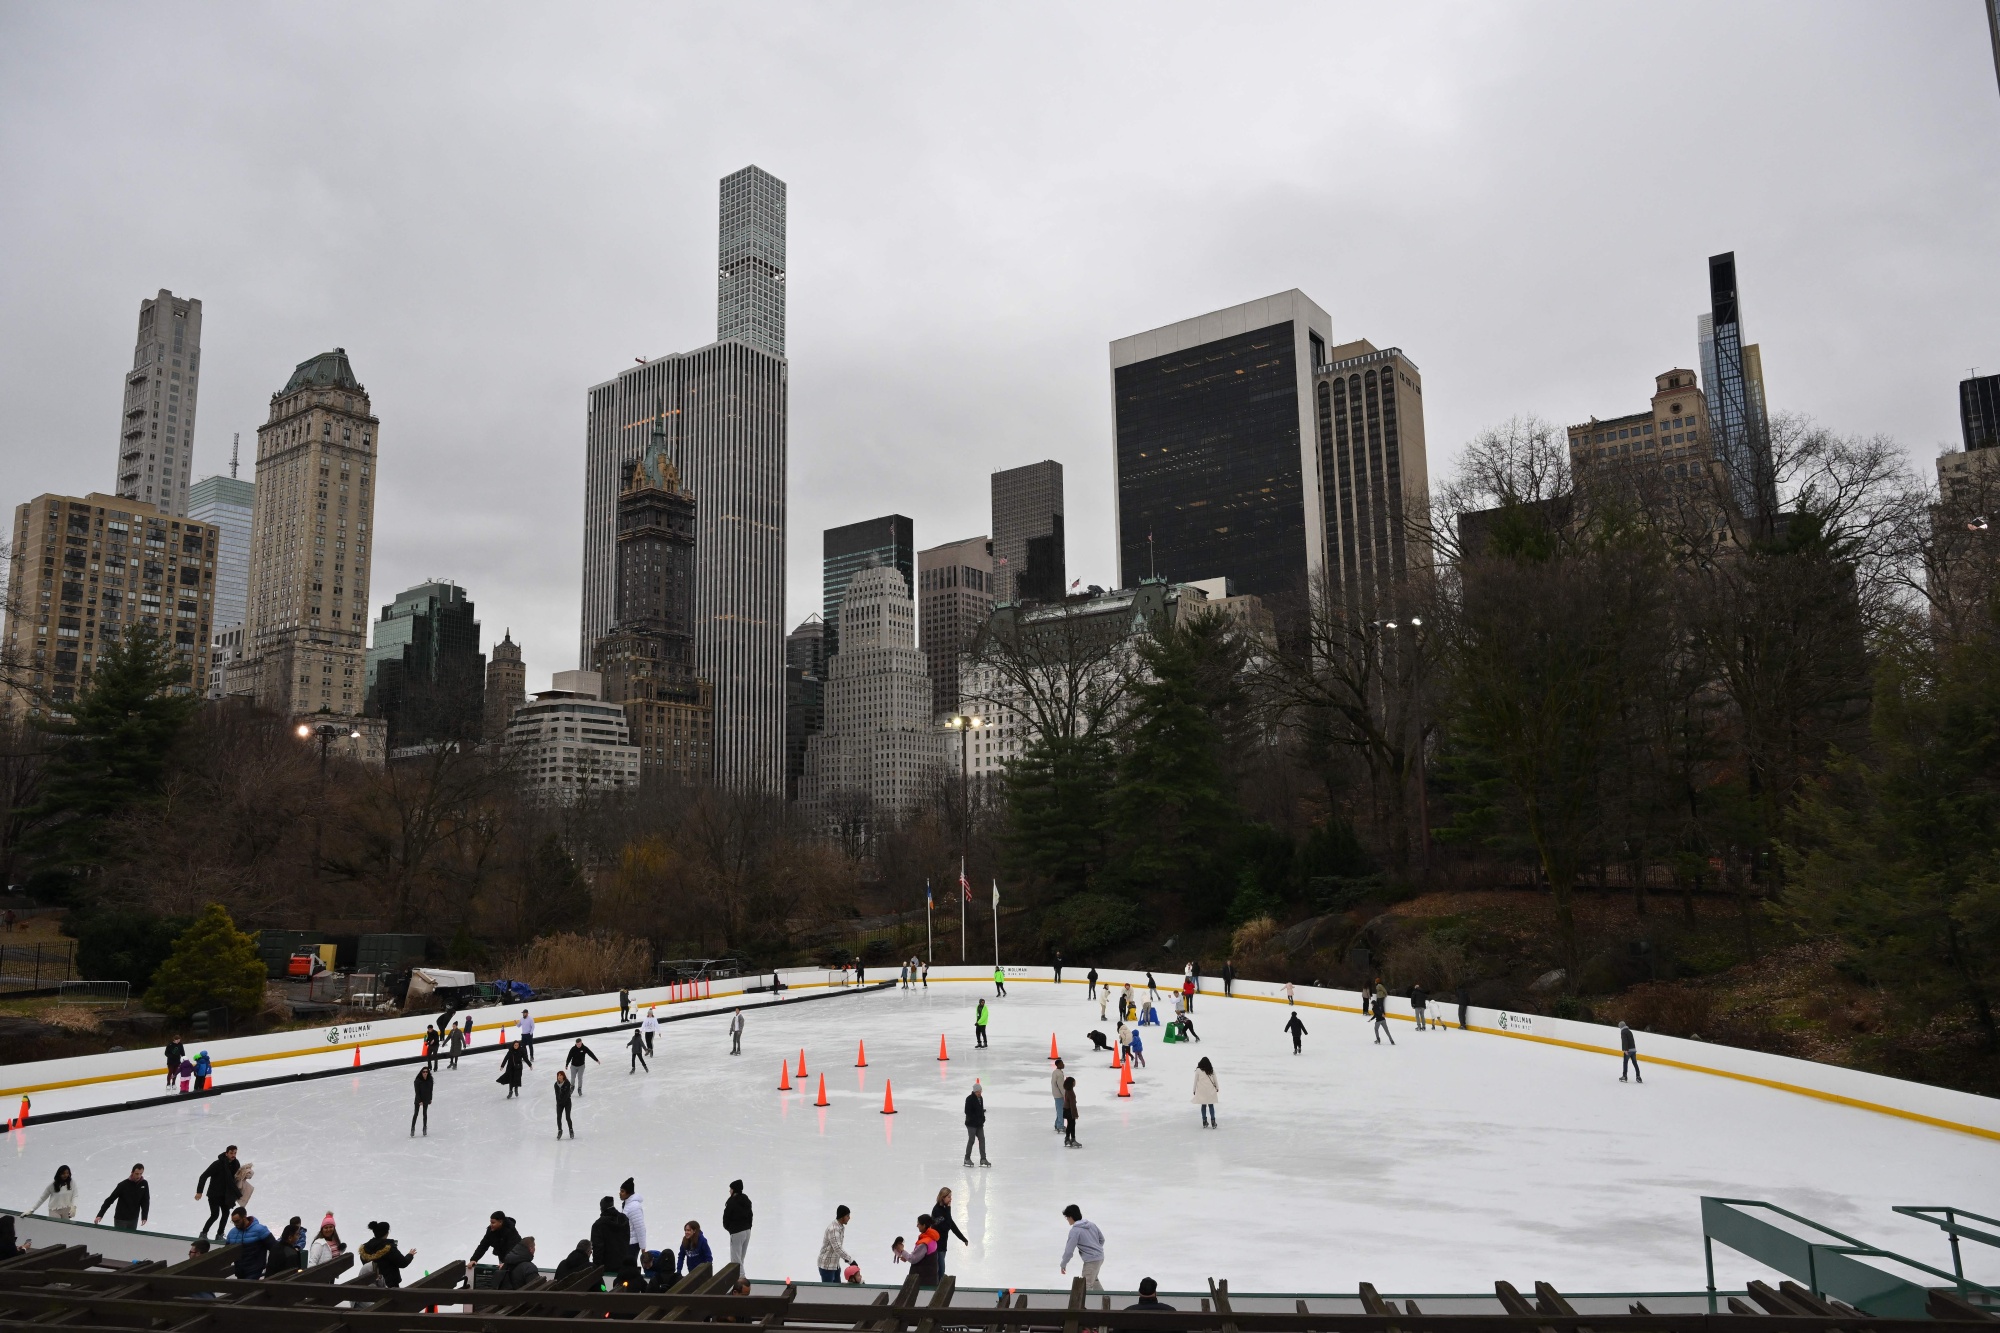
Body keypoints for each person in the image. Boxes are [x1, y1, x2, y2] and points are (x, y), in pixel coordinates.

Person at [194, 1145, 240, 1238]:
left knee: (226, 1214)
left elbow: (236, 1178)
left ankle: (219, 1234)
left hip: (226, 1195)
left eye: (235, 1153)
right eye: (231, 1153)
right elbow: (203, 1176)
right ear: (226, 1153)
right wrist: (199, 1192)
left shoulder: (236, 1164)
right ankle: (203, 1233)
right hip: (214, 1194)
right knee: (215, 1214)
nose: (233, 1155)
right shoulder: (217, 1164)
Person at [1059, 1204, 1104, 1292]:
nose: (1067, 1220)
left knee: (1086, 1286)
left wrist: (1063, 1264)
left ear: (1071, 1217)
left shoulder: (1075, 1231)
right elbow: (1102, 1239)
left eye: (1067, 1218)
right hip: (1100, 1257)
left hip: (1091, 1261)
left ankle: (1092, 1304)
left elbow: (1069, 1251)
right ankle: (1105, 1300)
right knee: (1094, 1281)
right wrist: (1096, 1250)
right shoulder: (1091, 1225)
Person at [358, 1219, 415, 1287]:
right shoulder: (388, 1248)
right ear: (387, 1233)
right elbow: (403, 1263)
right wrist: (410, 1255)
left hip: (372, 1284)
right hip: (390, 1285)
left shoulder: (364, 1248)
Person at [223, 1207, 274, 1279]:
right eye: (233, 1222)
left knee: (248, 1288)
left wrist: (271, 1265)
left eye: (237, 1221)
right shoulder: (232, 1233)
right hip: (239, 1270)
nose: (235, 1224)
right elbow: (227, 1252)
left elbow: (273, 1247)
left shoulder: (260, 1230)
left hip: (254, 1269)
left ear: (244, 1218)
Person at [932, 1188, 969, 1275]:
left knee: (941, 1269)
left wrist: (963, 1238)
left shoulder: (944, 1208)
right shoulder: (937, 1210)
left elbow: (951, 1224)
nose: (951, 1199)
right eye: (949, 1197)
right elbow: (945, 1227)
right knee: (940, 1270)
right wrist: (948, 1210)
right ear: (942, 1197)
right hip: (937, 1245)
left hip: (942, 1244)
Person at [592, 1195, 631, 1269]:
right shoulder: (624, 1220)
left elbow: (597, 1248)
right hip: (623, 1264)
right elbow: (627, 1240)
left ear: (602, 1208)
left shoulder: (598, 1224)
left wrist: (596, 1267)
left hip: (606, 1266)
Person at [817, 1205, 854, 1283]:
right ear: (842, 1217)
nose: (849, 1218)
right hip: (827, 1267)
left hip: (835, 1265)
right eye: (847, 1215)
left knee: (837, 1290)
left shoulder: (840, 1227)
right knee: (829, 1292)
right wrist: (851, 1261)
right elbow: (838, 1248)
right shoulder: (833, 1229)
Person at [723, 1179, 753, 1270]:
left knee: (736, 1260)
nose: (729, 1191)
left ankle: (740, 1279)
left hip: (736, 1232)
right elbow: (750, 1215)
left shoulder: (731, 1202)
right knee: (741, 1258)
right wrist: (749, 1227)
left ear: (734, 1189)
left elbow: (726, 1217)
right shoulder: (746, 1200)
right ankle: (740, 1278)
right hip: (747, 1231)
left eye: (731, 1189)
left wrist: (730, 1229)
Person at [620, 1178, 648, 1268]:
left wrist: (643, 1248)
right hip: (627, 1243)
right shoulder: (627, 1204)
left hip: (632, 1245)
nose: (620, 1193)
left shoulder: (634, 1207)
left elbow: (640, 1228)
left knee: (629, 1268)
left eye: (622, 1191)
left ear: (628, 1193)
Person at [907, 1215, 941, 1289]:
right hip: (930, 1279)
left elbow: (913, 1259)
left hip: (922, 1281)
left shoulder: (925, 1242)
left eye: (918, 1224)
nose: (917, 1226)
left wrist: (901, 1251)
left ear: (924, 1225)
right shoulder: (931, 1238)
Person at [962, 1080, 990, 1167]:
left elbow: (981, 1110)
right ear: (975, 1091)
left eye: (981, 1091)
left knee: (982, 1140)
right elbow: (967, 1111)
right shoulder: (969, 1099)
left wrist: (983, 1118)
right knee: (971, 1140)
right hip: (971, 1124)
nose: (980, 1093)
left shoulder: (980, 1098)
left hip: (979, 1124)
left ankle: (983, 1159)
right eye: (978, 1091)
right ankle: (967, 1159)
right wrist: (975, 1118)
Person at [1192, 1057, 1219, 1127]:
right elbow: (1215, 1080)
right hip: (1210, 1090)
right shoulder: (1211, 1070)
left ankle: (1204, 1121)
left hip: (1202, 1091)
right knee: (1211, 1105)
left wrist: (1194, 1090)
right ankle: (1213, 1122)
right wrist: (1217, 1088)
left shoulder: (1198, 1070)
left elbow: (1195, 1081)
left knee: (1203, 1105)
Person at [411, 1067, 434, 1136]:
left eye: (426, 1072)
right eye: (423, 1072)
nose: (425, 1073)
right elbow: (417, 1092)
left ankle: (424, 1128)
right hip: (418, 1099)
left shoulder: (430, 1080)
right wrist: (419, 1100)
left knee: (425, 1113)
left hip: (426, 1098)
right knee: (416, 1113)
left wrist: (430, 1099)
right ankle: (412, 1128)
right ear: (421, 1072)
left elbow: (431, 1090)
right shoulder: (417, 1081)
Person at [554, 1069, 575, 1138]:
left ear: (563, 1076)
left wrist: (562, 1101)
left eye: (561, 1075)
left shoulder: (567, 1083)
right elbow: (557, 1095)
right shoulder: (556, 1085)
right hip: (559, 1103)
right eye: (558, 1075)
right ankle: (560, 1130)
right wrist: (559, 1103)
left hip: (567, 1102)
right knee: (558, 1117)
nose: (559, 1077)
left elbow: (566, 1095)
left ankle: (571, 1130)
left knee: (567, 1117)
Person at [1062, 1075, 1080, 1148]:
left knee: (1069, 1125)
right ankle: (1073, 1139)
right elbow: (1073, 1105)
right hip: (1070, 1111)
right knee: (1072, 1125)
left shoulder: (1067, 1090)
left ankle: (1067, 1139)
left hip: (1066, 1109)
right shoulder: (1071, 1093)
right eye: (1074, 1082)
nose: (1075, 1083)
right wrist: (1075, 1114)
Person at [1050, 1058, 1067, 1131]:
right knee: (1061, 1111)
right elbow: (1061, 1086)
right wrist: (1065, 1095)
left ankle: (1057, 1124)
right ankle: (1060, 1126)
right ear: (1058, 1064)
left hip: (1055, 1093)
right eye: (1062, 1063)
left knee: (1059, 1109)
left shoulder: (1055, 1072)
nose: (1063, 1064)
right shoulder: (1059, 1074)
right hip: (1059, 1094)